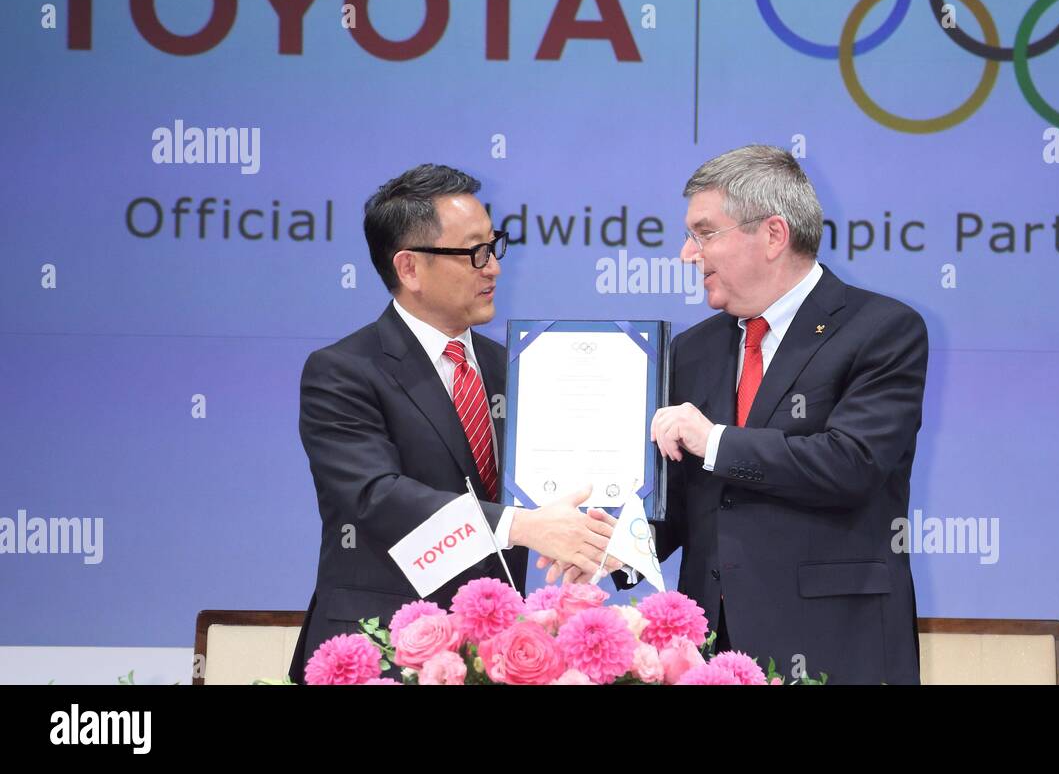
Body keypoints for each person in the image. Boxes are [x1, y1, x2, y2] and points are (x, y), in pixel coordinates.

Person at [287, 164, 615, 683]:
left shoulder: (513, 367)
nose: (493, 269)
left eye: (494, 245)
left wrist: (599, 541)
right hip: (381, 647)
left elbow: (550, 489)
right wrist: (525, 527)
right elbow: (377, 496)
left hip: (496, 650)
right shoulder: (344, 371)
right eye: (473, 252)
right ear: (410, 268)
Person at [625, 145, 928, 684]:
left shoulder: (882, 329)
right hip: (713, 652)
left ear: (772, 234)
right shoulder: (692, 350)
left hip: (837, 646)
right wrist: (613, 548)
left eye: (703, 233)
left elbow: (851, 464)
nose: (686, 254)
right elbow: (681, 501)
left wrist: (713, 440)